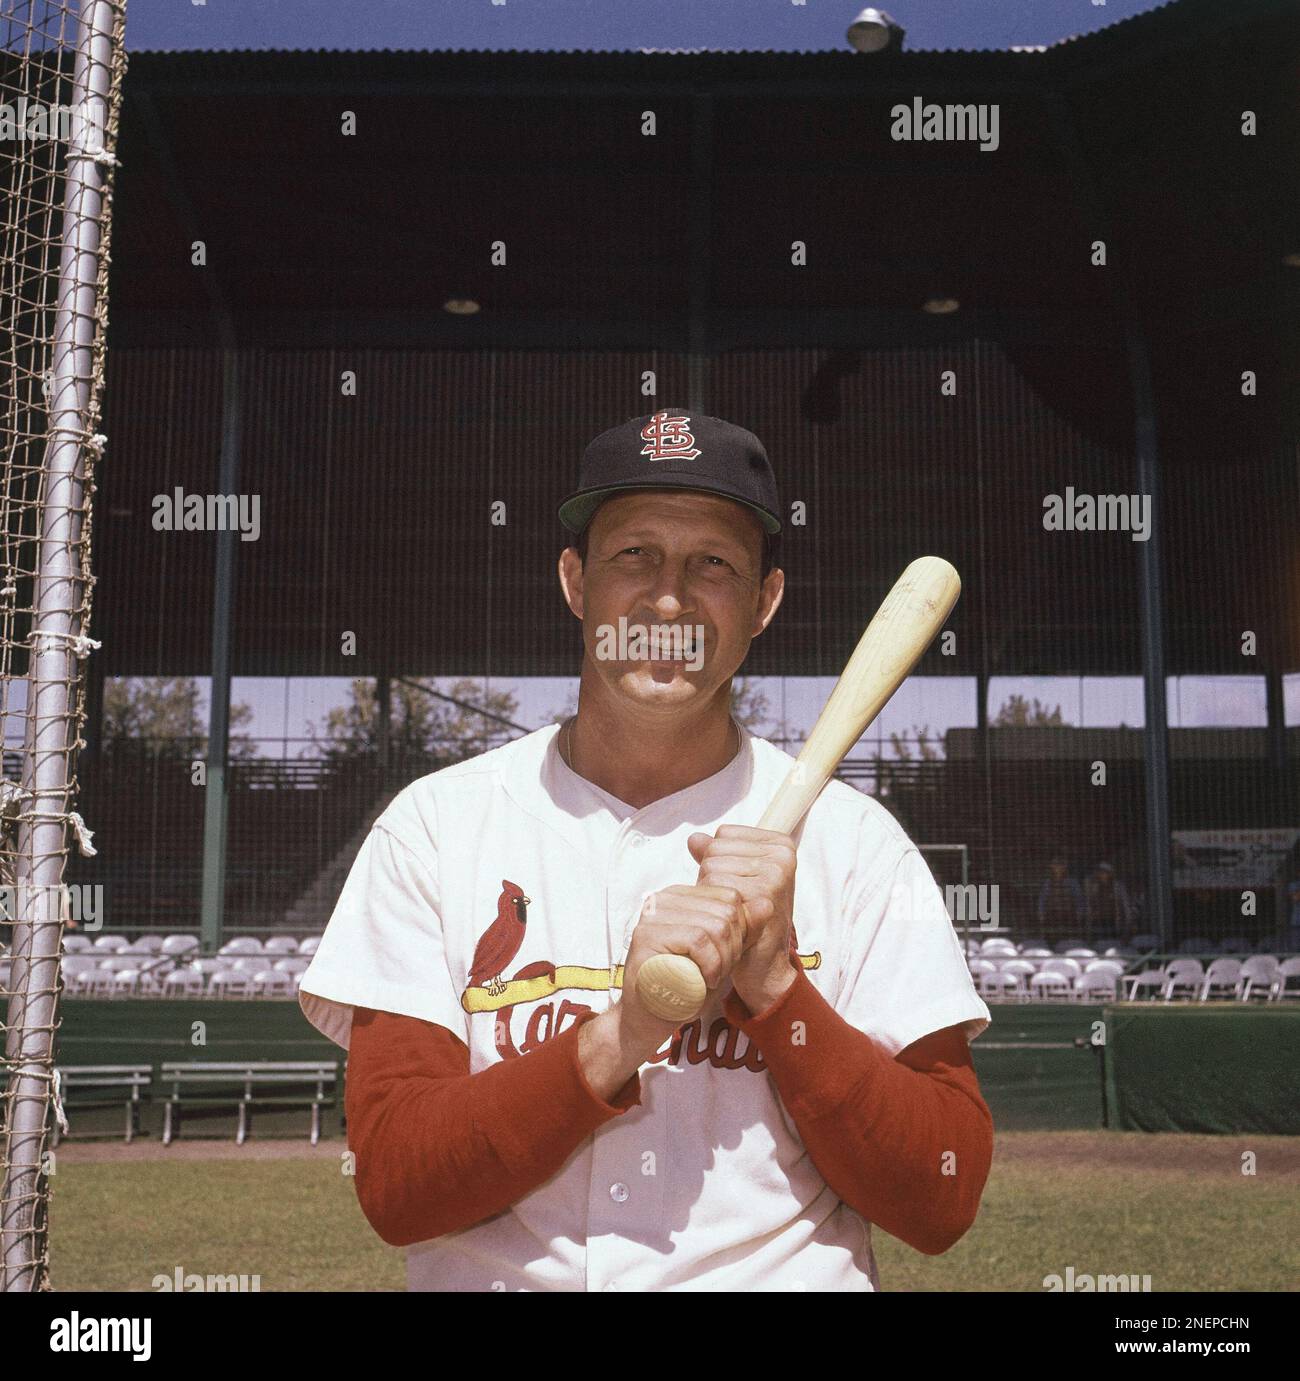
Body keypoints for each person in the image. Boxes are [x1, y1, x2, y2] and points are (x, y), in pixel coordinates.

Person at [299, 409, 993, 1292]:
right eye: (634, 554)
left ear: (763, 602)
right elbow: (397, 1184)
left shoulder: (859, 847)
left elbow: (942, 1194)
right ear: (574, 580)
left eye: (714, 563)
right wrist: (619, 1035)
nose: (668, 597)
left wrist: (778, 988)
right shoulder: (437, 826)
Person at [1036, 857, 1084, 939]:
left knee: (1069, 937)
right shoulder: (1048, 882)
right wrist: (1041, 912)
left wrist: (1079, 912)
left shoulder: (1072, 882)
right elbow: (1043, 898)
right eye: (1056, 865)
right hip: (1052, 914)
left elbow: (1079, 898)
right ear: (1052, 867)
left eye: (1061, 865)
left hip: (1068, 914)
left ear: (1065, 867)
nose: (1058, 868)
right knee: (1052, 936)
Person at [1084, 860, 1134, 939]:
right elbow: (1089, 903)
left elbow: (1125, 905)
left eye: (1104, 872)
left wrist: (1128, 922)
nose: (1102, 874)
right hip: (1097, 922)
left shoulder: (1118, 886)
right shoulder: (1094, 886)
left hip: (1114, 922)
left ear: (1110, 873)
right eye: (1100, 872)